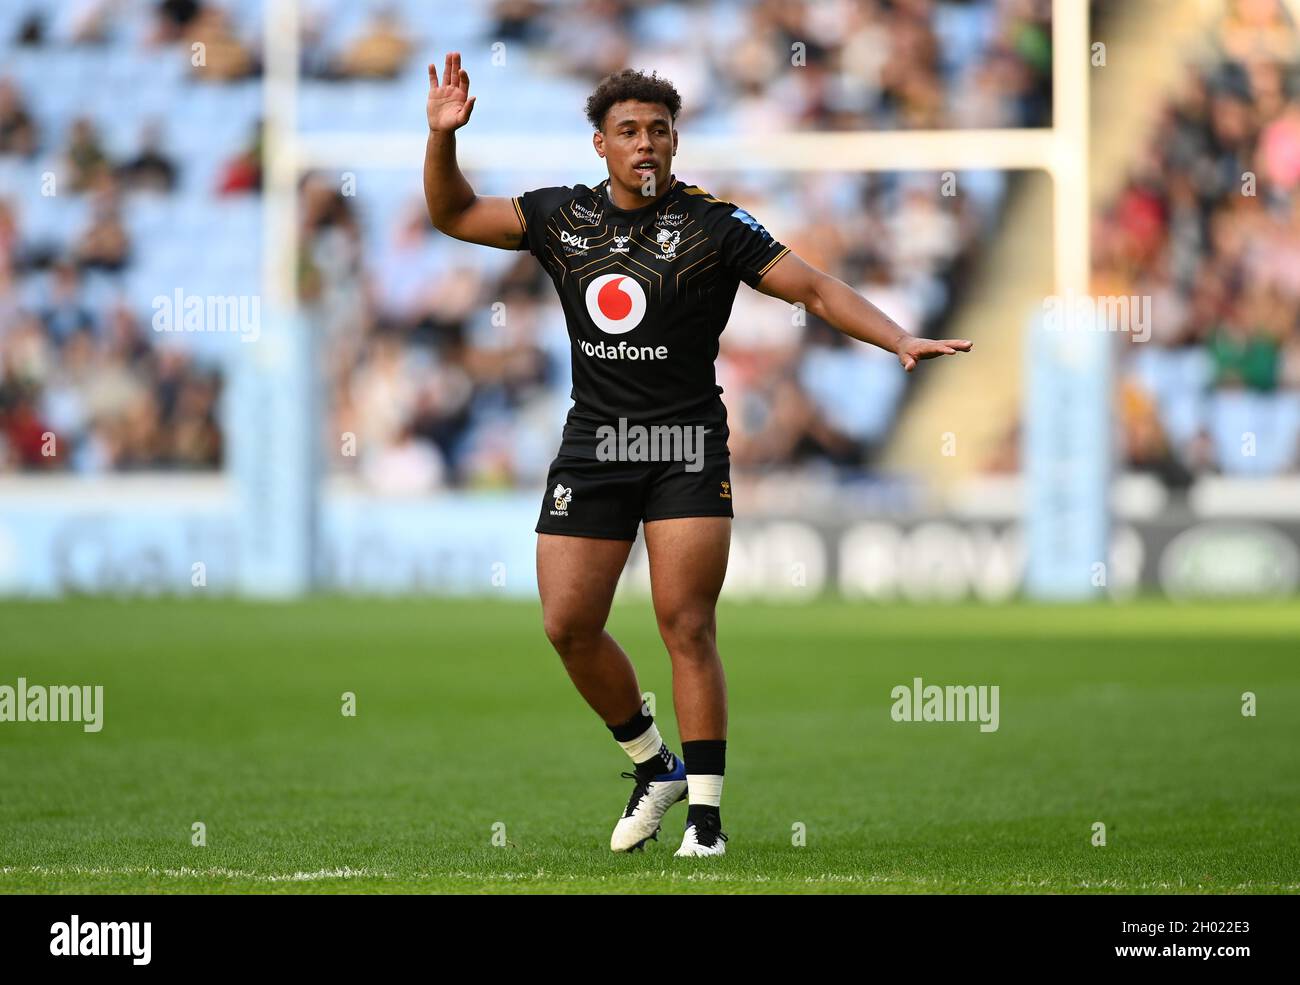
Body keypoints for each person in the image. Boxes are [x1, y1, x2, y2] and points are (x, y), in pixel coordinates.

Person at [422, 53, 971, 857]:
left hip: (684, 445)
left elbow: (814, 289)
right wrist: (441, 139)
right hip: (596, 445)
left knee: (686, 623)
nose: (645, 144)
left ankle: (705, 824)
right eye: (627, 132)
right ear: (600, 145)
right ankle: (653, 765)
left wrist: (896, 337)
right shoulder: (559, 218)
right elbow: (453, 214)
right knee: (568, 624)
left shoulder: (716, 227)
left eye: (658, 130)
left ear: (676, 141)